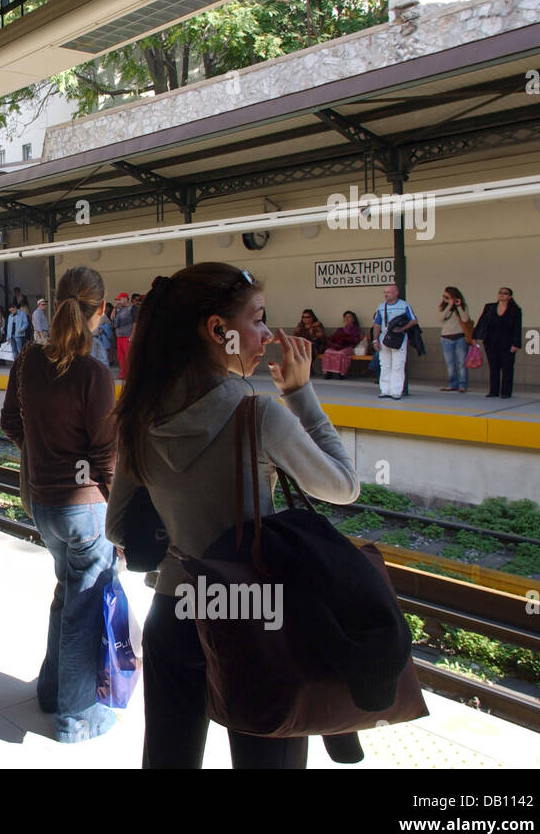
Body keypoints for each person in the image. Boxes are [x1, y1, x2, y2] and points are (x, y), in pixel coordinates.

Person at [108, 263, 359, 768]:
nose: (267, 334)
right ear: (218, 331)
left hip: (175, 613)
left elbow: (117, 526)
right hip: (255, 619)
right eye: (258, 319)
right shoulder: (258, 414)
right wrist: (301, 395)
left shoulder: (140, 415)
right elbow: (344, 486)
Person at [1, 267, 117, 743]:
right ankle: (75, 717)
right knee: (83, 607)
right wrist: (113, 508)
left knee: (67, 594)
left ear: (53, 302)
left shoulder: (27, 360)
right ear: (102, 311)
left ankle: (51, 689)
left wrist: (43, 454)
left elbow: (11, 423)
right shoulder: (94, 372)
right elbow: (106, 453)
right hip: (85, 509)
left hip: (43, 505)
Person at [473, 287, 523, 398]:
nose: (502, 295)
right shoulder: (489, 307)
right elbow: (482, 321)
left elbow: (517, 327)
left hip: (507, 342)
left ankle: (505, 392)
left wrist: (516, 344)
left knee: (507, 367)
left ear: (510, 297)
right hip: (491, 341)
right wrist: (474, 336)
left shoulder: (515, 310)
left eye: (505, 293)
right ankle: (493, 391)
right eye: (500, 293)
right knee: (493, 366)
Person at [371, 283, 418, 400]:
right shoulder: (381, 307)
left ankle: (396, 391)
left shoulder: (404, 305)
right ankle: (385, 390)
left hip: (399, 339)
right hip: (384, 339)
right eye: (385, 292)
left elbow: (414, 320)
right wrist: (375, 339)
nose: (386, 294)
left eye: (388, 292)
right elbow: (376, 324)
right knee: (385, 365)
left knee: (398, 365)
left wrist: (401, 329)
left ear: (396, 293)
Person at [438, 287, 473, 393]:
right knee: (450, 363)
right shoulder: (443, 306)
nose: (445, 299)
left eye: (447, 297)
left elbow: (465, 319)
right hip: (446, 337)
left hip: (460, 337)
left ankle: (463, 385)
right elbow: (440, 319)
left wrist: (458, 306)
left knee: (462, 363)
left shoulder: (462, 306)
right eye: (444, 297)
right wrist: (449, 305)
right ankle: (452, 384)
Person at [321, 311, 361, 379]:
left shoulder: (356, 329)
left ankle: (340, 373)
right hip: (338, 346)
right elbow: (335, 338)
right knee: (327, 351)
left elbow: (355, 340)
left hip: (349, 347)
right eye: (345, 317)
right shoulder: (340, 329)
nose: (346, 319)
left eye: (349, 317)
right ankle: (328, 372)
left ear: (353, 319)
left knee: (341, 353)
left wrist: (346, 329)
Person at [112, 292, 135, 377]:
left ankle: (130, 373)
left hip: (128, 336)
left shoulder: (132, 308)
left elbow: (135, 323)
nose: (118, 301)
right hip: (119, 335)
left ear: (125, 299)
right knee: (120, 356)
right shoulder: (119, 309)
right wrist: (114, 308)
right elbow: (112, 318)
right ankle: (123, 373)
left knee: (128, 355)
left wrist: (132, 335)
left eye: (119, 299)